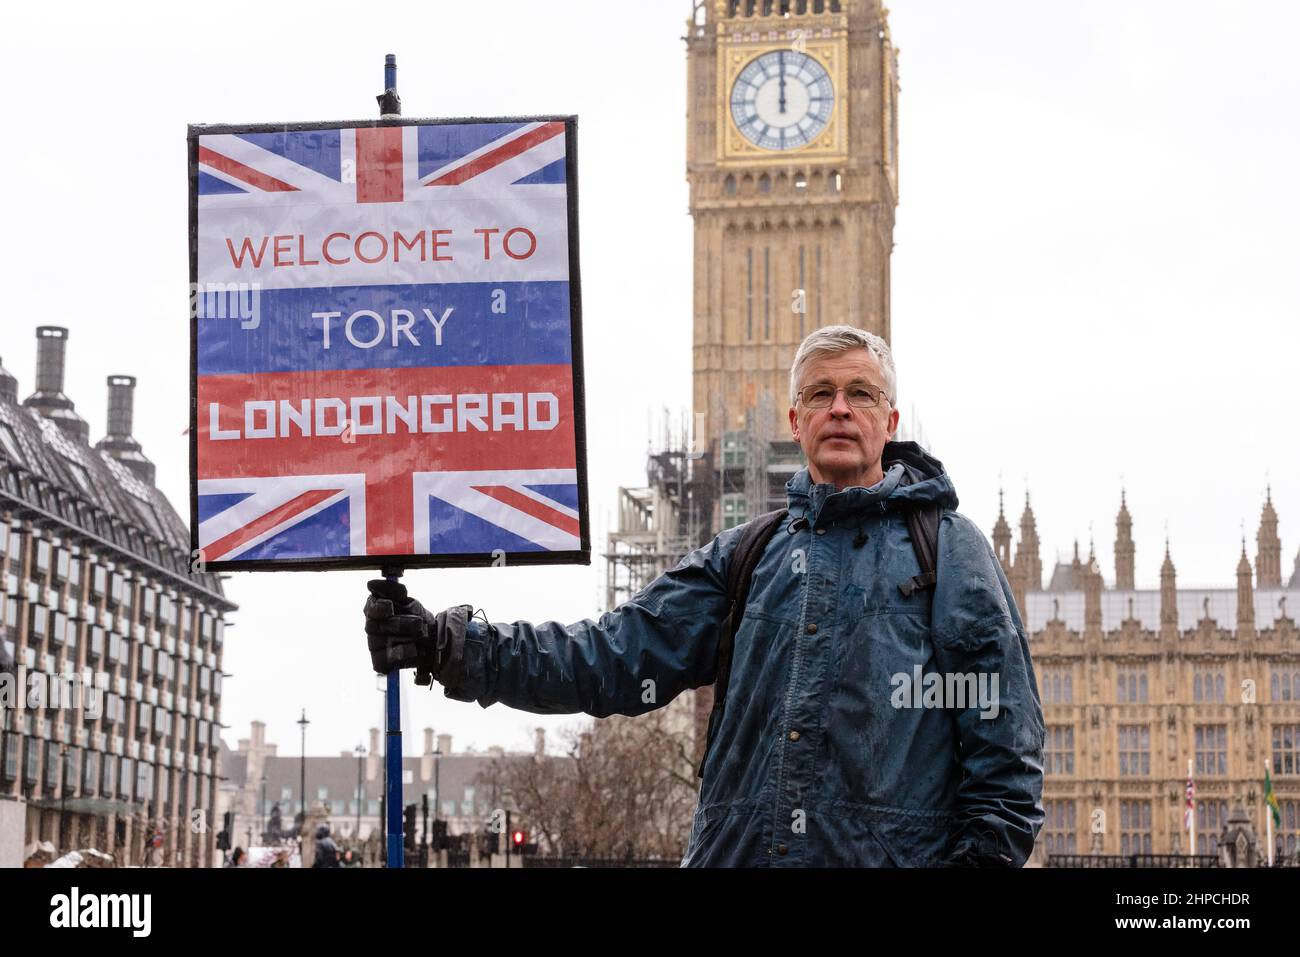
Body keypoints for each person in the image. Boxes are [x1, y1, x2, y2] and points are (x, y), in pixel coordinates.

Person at [364, 325, 1046, 867]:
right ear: (796, 418)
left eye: (860, 393)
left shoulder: (947, 550)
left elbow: (1003, 748)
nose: (840, 407)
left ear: (888, 417)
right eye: (821, 393)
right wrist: (451, 645)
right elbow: (611, 655)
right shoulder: (745, 558)